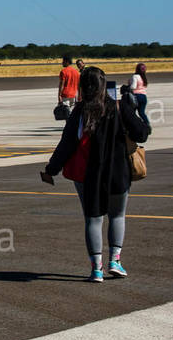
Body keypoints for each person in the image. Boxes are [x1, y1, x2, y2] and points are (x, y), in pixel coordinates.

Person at [41, 67, 150, 282]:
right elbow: (142, 133)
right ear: (104, 85)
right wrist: (135, 112)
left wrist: (51, 169)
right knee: (117, 215)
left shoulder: (79, 112)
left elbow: (66, 144)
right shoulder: (119, 107)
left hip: (88, 175)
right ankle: (115, 261)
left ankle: (96, 269)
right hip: (118, 172)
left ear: (82, 87)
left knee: (93, 219)